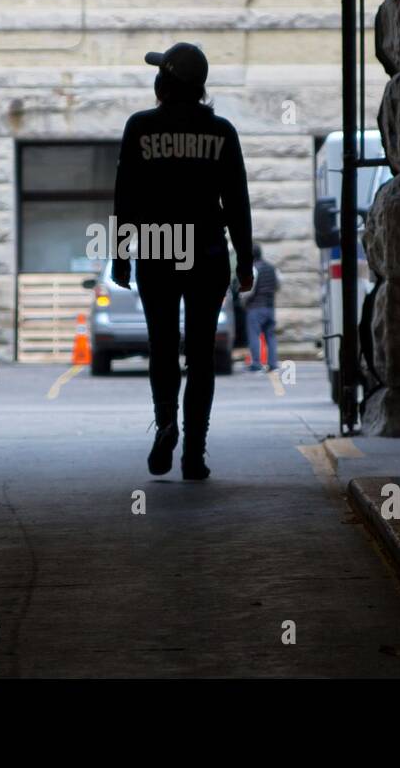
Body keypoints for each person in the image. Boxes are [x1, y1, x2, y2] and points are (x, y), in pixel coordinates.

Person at [112, 42, 253, 480]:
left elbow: (126, 194)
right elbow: (236, 202)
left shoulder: (140, 127)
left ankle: (166, 421)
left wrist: (120, 253)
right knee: (201, 354)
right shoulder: (222, 133)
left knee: (162, 347)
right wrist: (244, 261)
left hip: (157, 247)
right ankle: (194, 453)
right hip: (208, 250)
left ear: (165, 82)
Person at [243, 243, 279, 372]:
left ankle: (256, 364)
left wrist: (243, 300)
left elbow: (248, 290)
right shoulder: (272, 268)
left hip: (255, 307)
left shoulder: (253, 269)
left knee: (254, 336)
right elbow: (278, 284)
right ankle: (273, 364)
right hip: (270, 306)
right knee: (271, 336)